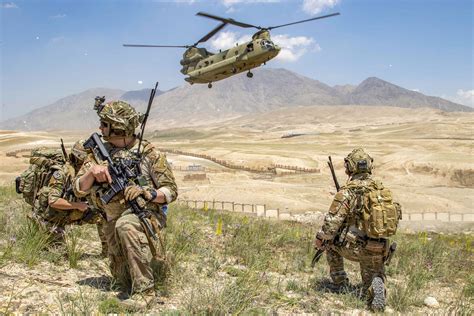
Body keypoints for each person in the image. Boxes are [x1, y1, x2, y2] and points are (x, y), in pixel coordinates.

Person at [73, 100, 178, 307]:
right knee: (121, 279)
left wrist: (147, 192)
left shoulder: (149, 154)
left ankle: (145, 292)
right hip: (110, 218)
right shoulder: (97, 154)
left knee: (126, 225)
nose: (100, 128)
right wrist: (92, 173)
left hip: (143, 215)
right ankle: (137, 278)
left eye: (104, 124)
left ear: (117, 126)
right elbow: (78, 188)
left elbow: (170, 191)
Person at [314, 148, 401, 312]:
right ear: (369, 166)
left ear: (350, 167)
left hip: (356, 248)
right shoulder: (381, 191)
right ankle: (377, 283)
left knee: (330, 244)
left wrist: (321, 239)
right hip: (379, 249)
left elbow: (331, 224)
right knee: (373, 275)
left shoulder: (347, 192)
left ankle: (340, 282)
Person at [32, 141, 100, 243]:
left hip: (69, 213)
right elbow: (53, 201)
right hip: (52, 218)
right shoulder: (61, 173)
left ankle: (107, 252)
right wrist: (77, 205)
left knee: (101, 216)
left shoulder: (83, 174)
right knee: (57, 253)